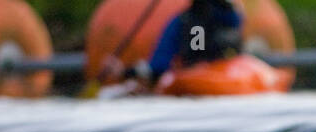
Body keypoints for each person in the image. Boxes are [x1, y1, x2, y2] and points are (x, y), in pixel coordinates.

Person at [102, 0, 243, 85]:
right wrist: (126, 71)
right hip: (197, 76)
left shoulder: (231, 16)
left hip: (229, 72)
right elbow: (159, 65)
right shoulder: (183, 22)